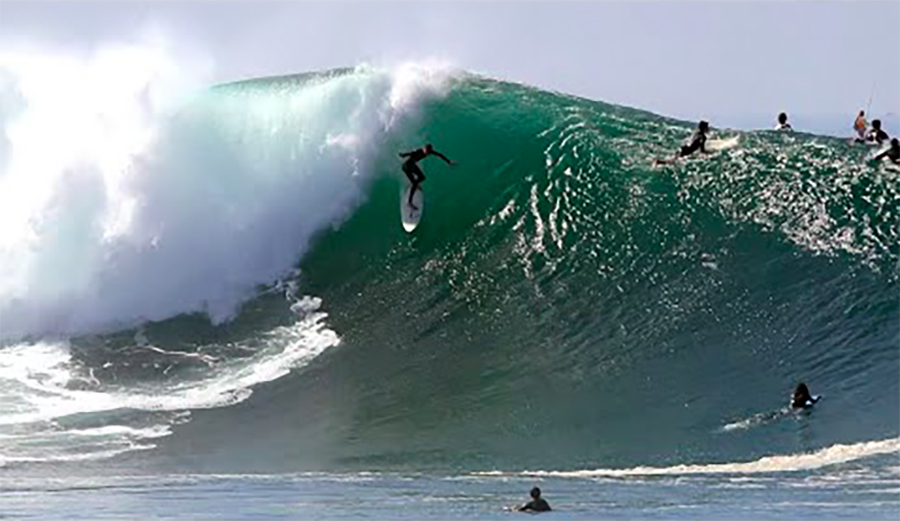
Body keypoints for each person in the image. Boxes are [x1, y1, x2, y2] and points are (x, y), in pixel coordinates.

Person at [398, 143, 454, 210]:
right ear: (424, 148)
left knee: (421, 178)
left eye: (428, 152)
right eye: (426, 151)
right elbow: (411, 153)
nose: (427, 153)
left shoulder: (430, 152)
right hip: (407, 166)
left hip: (412, 166)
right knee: (416, 181)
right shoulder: (419, 151)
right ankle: (410, 202)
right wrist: (403, 154)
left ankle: (414, 185)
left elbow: (439, 155)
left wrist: (448, 161)